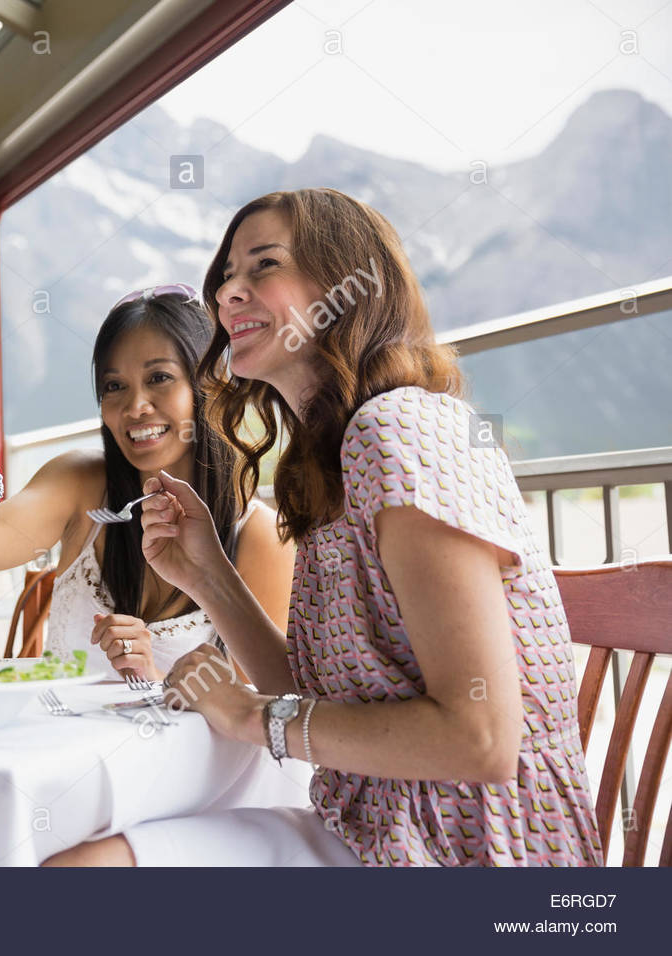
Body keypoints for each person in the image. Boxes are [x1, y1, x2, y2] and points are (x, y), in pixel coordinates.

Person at [47, 187, 603, 866]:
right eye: (226, 277)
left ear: (346, 285)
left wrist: (246, 715)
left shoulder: (398, 430)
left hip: (470, 854)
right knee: (82, 868)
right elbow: (319, 699)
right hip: (367, 832)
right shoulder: (333, 453)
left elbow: (480, 740)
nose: (228, 294)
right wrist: (208, 575)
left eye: (262, 266)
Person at [0, 288, 295, 680]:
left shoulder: (258, 536)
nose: (135, 406)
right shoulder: (83, 484)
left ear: (208, 386)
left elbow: (263, 711)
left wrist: (154, 679)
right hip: (57, 740)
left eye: (159, 377)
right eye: (114, 386)